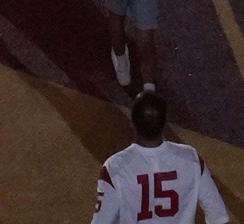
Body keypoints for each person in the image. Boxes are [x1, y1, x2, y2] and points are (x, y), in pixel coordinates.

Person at [89, 83, 226, 224]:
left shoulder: (114, 168)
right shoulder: (191, 158)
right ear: (164, 123)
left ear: (133, 124)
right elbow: (218, 217)